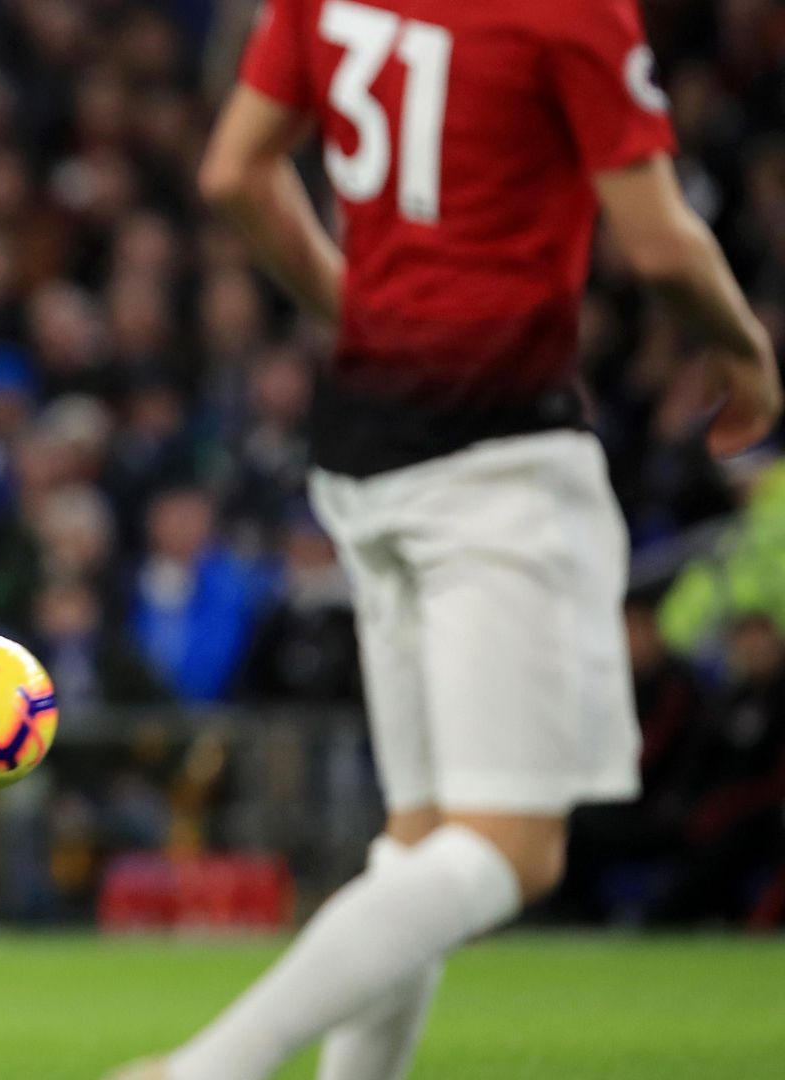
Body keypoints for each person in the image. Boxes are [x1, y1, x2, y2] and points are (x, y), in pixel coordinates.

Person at [112, 0, 780, 1077]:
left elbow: (235, 173)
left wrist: (358, 311)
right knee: (512, 849)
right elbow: (659, 244)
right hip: (495, 450)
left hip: (365, 450)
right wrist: (746, 353)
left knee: (422, 842)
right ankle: (209, 1068)